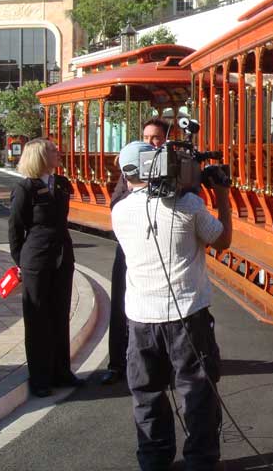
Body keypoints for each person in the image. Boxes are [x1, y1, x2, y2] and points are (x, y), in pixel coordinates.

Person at [112, 140, 232, 471]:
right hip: (186, 316)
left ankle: (153, 460)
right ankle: (201, 462)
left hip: (139, 320)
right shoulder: (189, 205)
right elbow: (221, 239)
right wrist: (220, 194)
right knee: (196, 391)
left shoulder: (119, 211)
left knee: (147, 393)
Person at [8, 138, 82, 398]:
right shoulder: (24, 188)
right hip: (37, 261)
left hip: (63, 258)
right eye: (52, 150)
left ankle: (61, 371)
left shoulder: (61, 185)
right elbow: (16, 229)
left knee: (60, 315)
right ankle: (39, 378)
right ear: (39, 155)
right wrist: (22, 263)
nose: (58, 153)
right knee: (38, 319)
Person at [101, 118, 169, 386]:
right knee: (121, 302)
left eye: (156, 137)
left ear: (164, 140)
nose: (151, 142)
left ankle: (161, 360)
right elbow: (116, 201)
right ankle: (116, 363)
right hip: (130, 248)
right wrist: (139, 192)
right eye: (146, 137)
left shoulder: (172, 168)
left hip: (160, 247)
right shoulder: (131, 169)